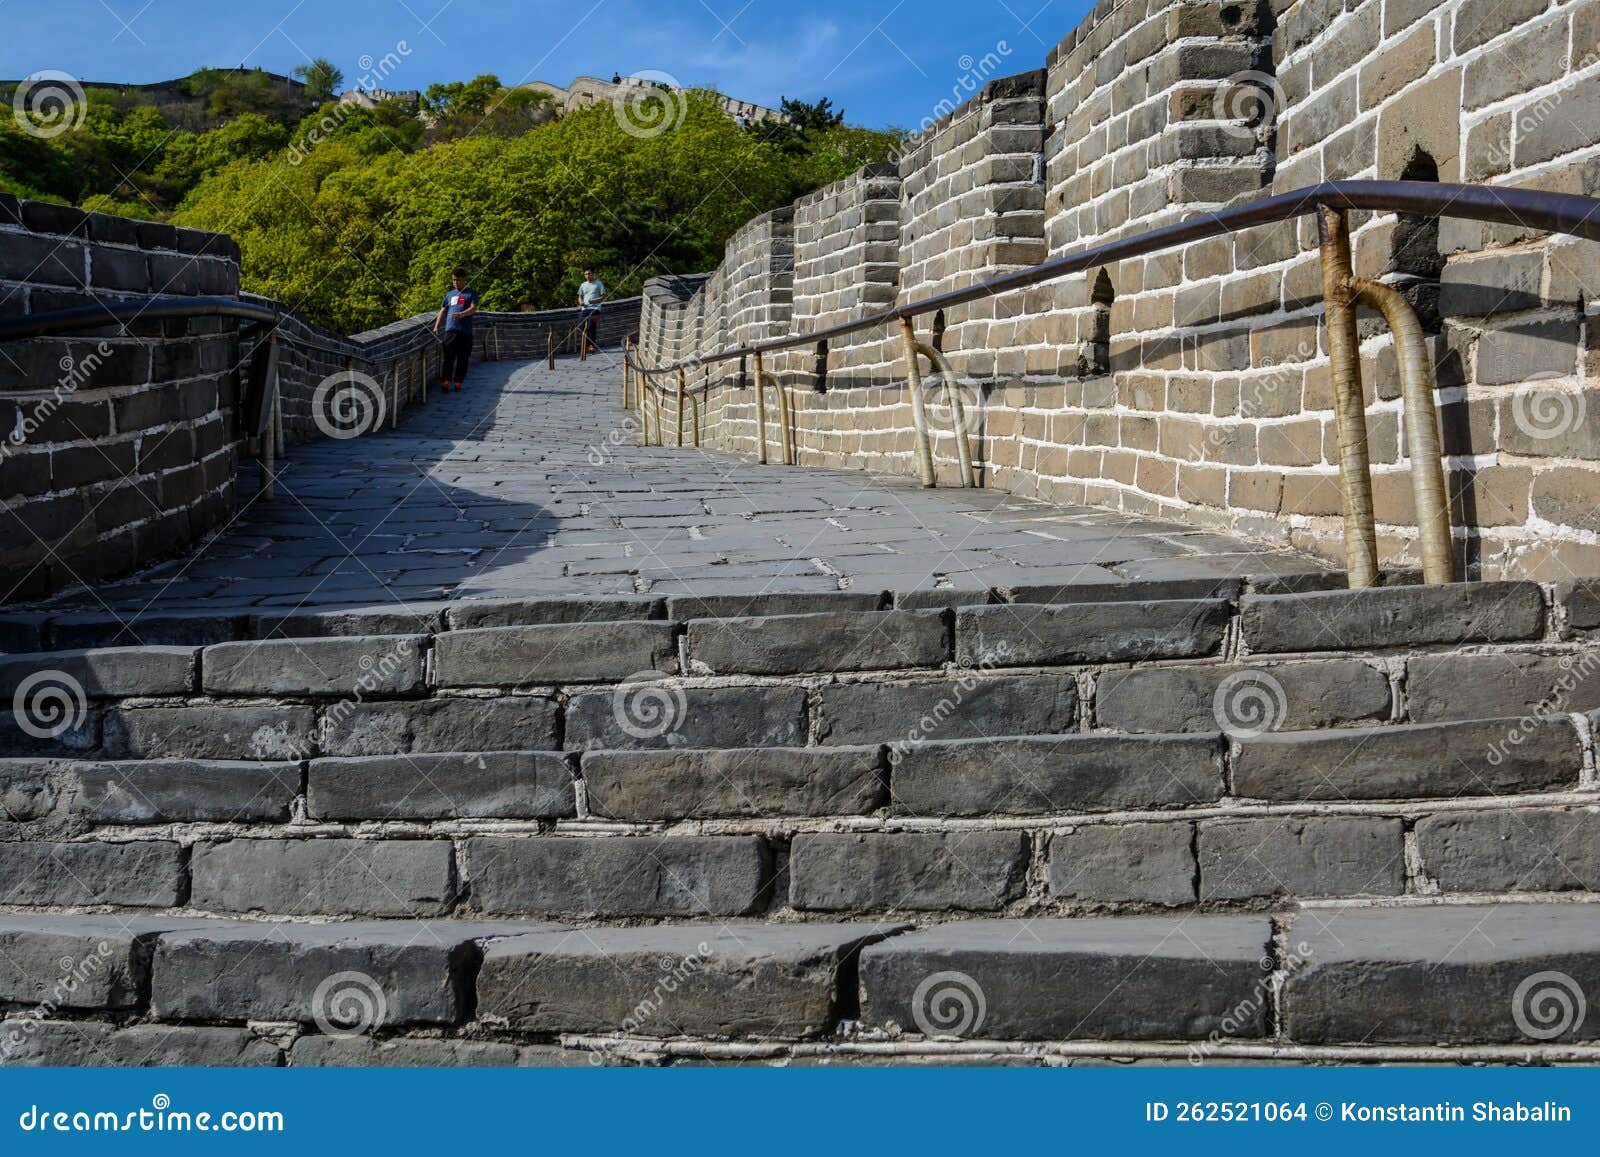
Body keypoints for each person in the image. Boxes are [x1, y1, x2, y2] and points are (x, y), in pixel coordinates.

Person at [433, 268, 478, 391]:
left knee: (463, 358)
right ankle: (446, 381)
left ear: (464, 280)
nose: (455, 282)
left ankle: (458, 382)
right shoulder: (449, 294)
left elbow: (473, 308)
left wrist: (462, 314)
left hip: (465, 332)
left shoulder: (471, 293)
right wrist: (437, 326)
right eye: (453, 280)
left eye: (458, 280)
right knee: (448, 357)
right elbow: (443, 310)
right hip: (450, 331)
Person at [577, 267, 606, 353]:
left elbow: (603, 296)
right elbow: (580, 296)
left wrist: (595, 301)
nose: (587, 276)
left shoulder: (598, 284)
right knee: (581, 325)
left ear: (593, 274)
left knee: (590, 324)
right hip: (585, 308)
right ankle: (585, 345)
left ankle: (591, 345)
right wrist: (581, 302)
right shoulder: (583, 285)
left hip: (595, 308)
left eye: (589, 274)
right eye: (586, 274)